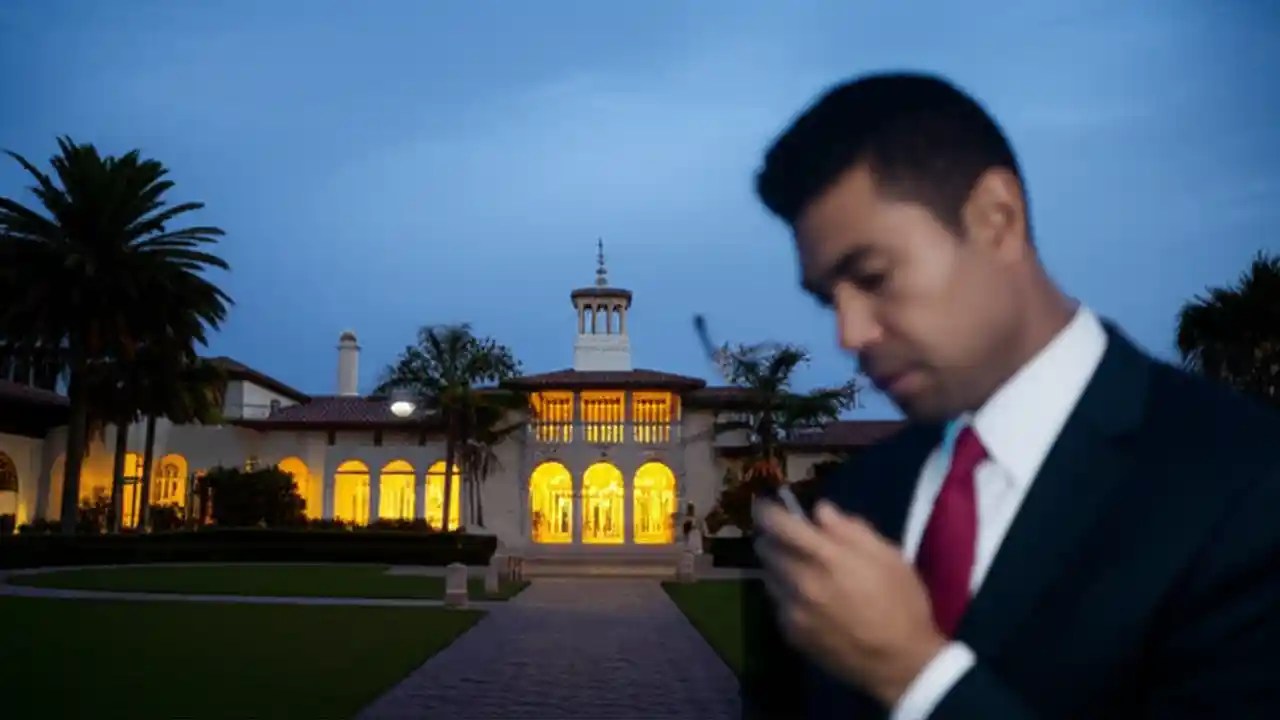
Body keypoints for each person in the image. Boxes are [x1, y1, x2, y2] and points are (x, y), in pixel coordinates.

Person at [742, 71, 1280, 719]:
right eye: (829, 299)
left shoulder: (1245, 485)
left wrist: (917, 677)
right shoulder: (853, 504)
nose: (850, 334)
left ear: (998, 218)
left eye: (873, 276)